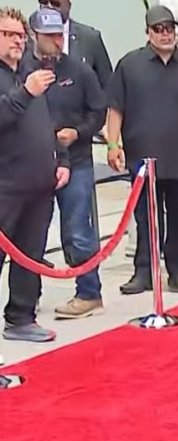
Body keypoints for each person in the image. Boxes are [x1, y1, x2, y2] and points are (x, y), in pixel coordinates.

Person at [106, 4, 178, 295]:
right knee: (145, 220)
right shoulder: (129, 65)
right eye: (159, 29)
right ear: (148, 33)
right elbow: (115, 108)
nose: (166, 34)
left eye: (169, 28)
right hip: (142, 161)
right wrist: (113, 144)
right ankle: (143, 273)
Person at [27, 6, 106, 319]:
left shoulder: (80, 71)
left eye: (59, 35)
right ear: (35, 36)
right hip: (33, 165)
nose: (56, 42)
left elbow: (98, 111)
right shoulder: (22, 72)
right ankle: (27, 296)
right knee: (32, 233)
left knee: (77, 230)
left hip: (77, 161)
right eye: (49, 36)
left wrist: (79, 131)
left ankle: (89, 293)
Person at [0, 5, 69, 360]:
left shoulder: (31, 71)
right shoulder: (24, 82)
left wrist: (63, 160)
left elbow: (49, 121)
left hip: (40, 183)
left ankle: (21, 316)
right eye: (7, 34)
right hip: (4, 186)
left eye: (19, 35)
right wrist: (24, 93)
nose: (16, 40)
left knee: (31, 254)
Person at [35, 0, 111, 88]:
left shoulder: (90, 38)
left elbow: (107, 85)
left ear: (69, 5)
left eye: (55, 3)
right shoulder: (30, 37)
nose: (49, 8)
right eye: (44, 3)